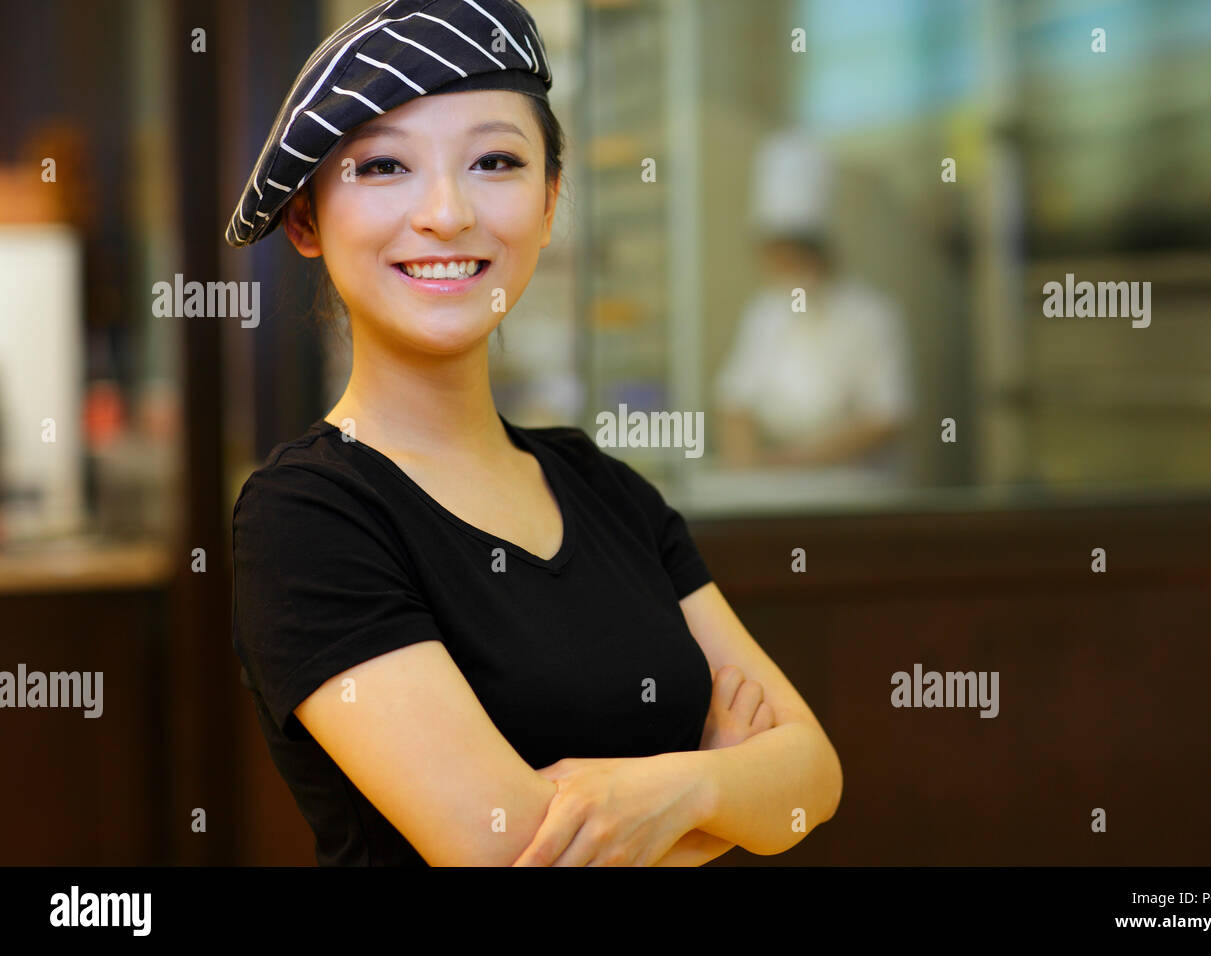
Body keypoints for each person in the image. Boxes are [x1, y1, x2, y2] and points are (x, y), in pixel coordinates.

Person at [227, 0, 841, 866]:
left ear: (550, 205)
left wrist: (670, 791)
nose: (445, 213)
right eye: (384, 167)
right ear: (306, 221)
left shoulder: (602, 486)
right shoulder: (308, 516)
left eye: (494, 161)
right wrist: (725, 785)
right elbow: (506, 853)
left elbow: (813, 779)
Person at [715, 129, 913, 474]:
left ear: (822, 255)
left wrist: (799, 462)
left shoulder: (871, 315)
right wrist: (746, 465)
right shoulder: (765, 312)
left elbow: (888, 417)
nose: (788, 271)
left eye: (795, 258)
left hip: (858, 485)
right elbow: (735, 403)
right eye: (777, 259)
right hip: (782, 481)